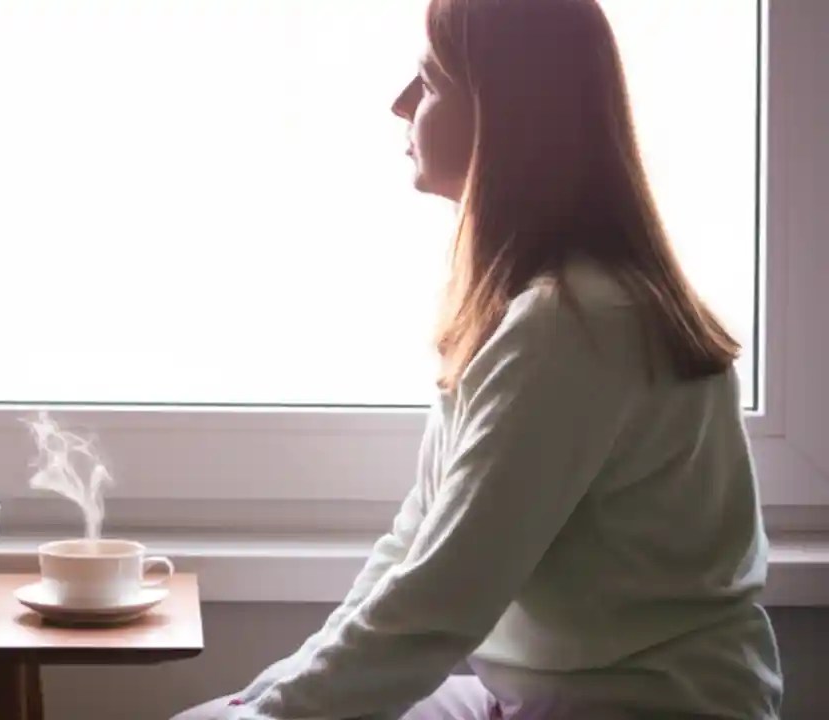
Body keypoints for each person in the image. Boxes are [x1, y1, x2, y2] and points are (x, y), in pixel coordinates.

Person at [171, 0, 782, 717]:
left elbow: (442, 598)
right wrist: (278, 688)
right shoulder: (534, 310)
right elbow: (418, 544)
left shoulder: (575, 327)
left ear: (504, 115)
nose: (400, 103)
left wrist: (276, 715)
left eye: (428, 81)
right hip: (537, 696)